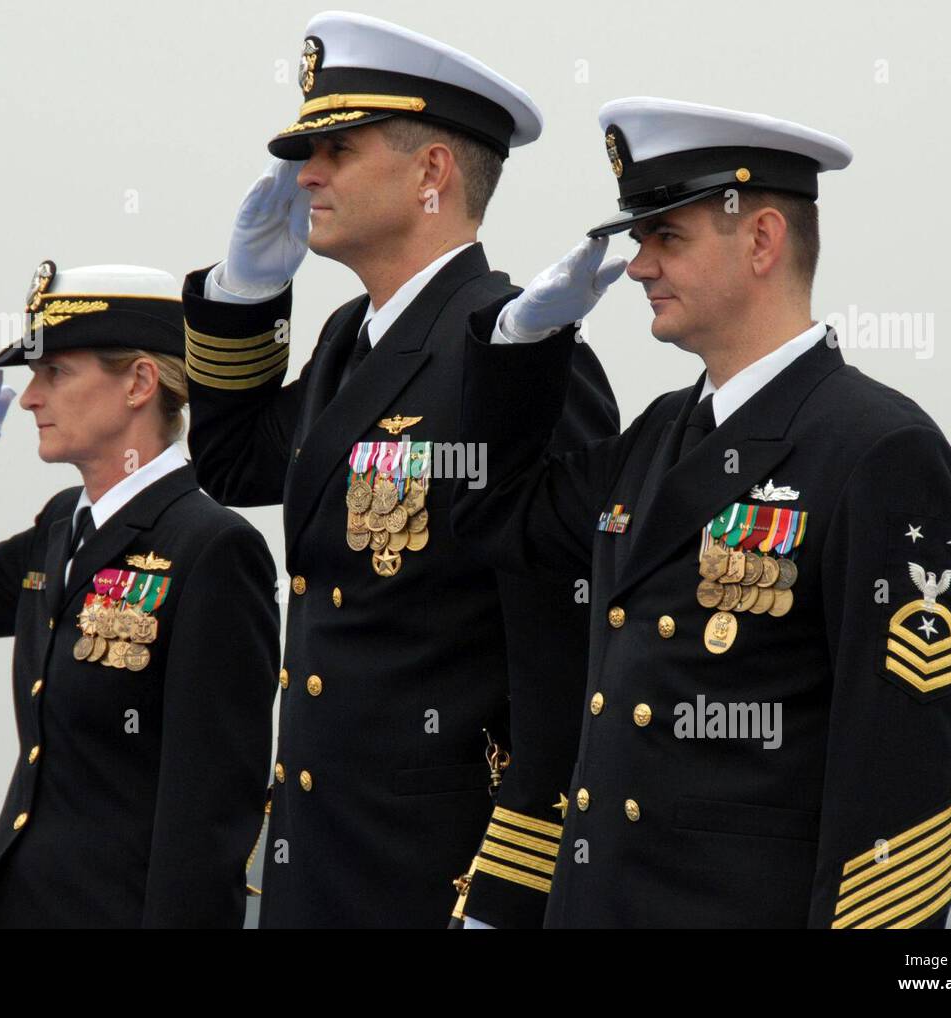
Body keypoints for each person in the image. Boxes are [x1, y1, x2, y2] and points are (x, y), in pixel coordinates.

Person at [453, 97, 951, 927]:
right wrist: (521, 347)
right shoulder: (660, 434)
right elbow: (492, 511)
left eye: (667, 237)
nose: (638, 267)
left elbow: (902, 779)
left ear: (762, 239)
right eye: (638, 239)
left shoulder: (876, 449)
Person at [180, 11, 618, 928]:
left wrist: (511, 887)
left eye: (336, 149)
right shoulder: (351, 339)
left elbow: (562, 653)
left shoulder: (518, 351)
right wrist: (245, 295)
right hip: (322, 860)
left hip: (436, 872)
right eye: (308, 152)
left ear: (431, 172)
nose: (307, 175)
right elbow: (231, 462)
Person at [0, 261, 279, 928]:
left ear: (139, 383)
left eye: (55, 373)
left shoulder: (210, 547)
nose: (31, 398)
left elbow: (208, 810)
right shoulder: (65, 522)